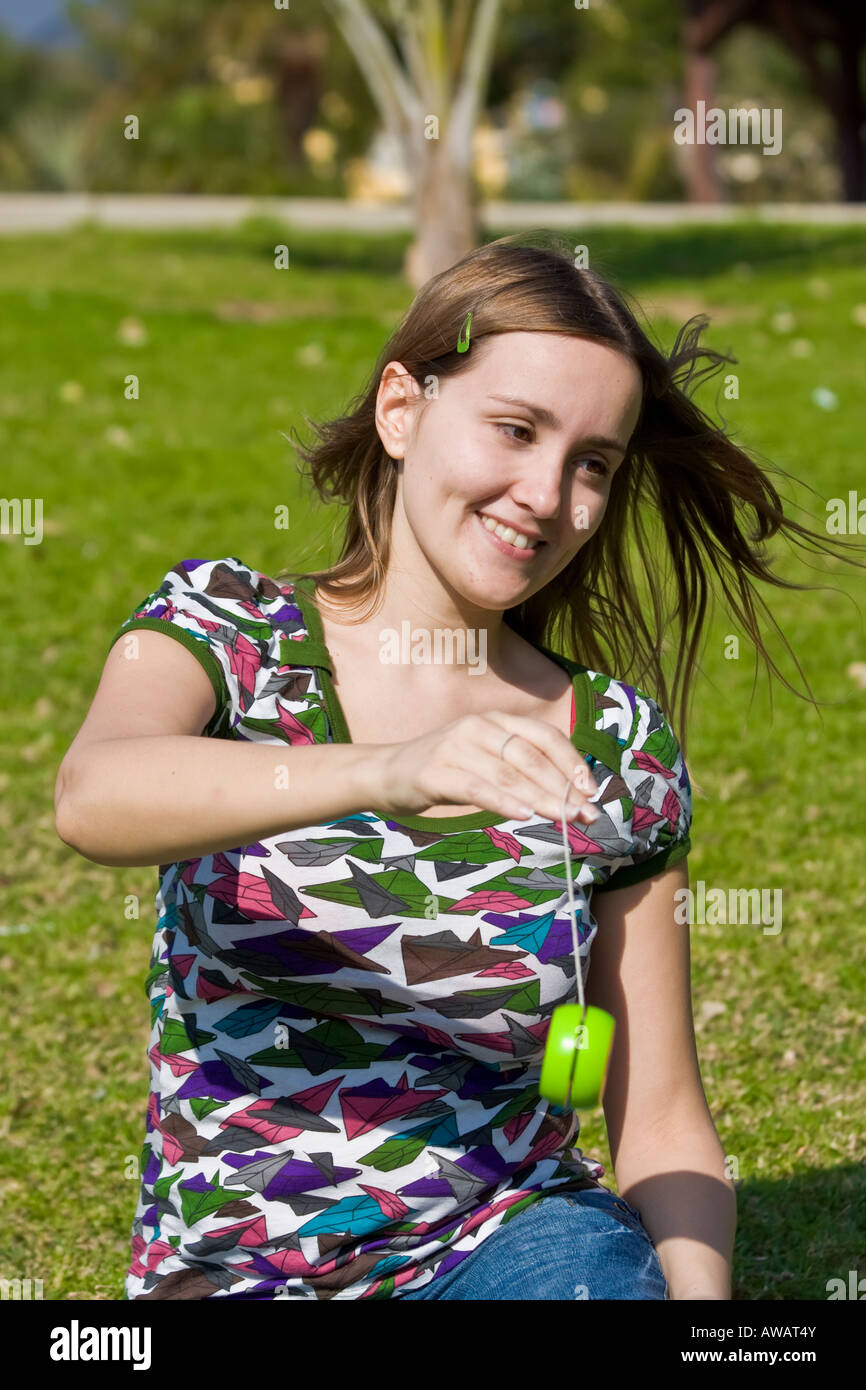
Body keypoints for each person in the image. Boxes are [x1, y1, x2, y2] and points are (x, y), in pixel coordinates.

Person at [54, 231, 862, 1301]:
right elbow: (93, 795)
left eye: (591, 465)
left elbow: (658, 1110)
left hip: (512, 1240)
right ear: (402, 408)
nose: (545, 494)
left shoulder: (611, 745)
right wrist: (389, 767)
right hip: (242, 1266)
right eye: (515, 430)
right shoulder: (226, 631)